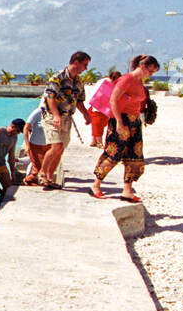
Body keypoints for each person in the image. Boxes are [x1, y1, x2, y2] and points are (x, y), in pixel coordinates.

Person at [89, 55, 159, 202]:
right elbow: (113, 100)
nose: (151, 75)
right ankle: (95, 185)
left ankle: (127, 191)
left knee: (134, 155)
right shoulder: (127, 79)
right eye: (151, 71)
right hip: (121, 119)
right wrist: (119, 122)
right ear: (143, 67)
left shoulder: (139, 81)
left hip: (135, 121)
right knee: (113, 153)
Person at [38, 51, 92, 190]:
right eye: (84, 65)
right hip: (52, 116)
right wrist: (56, 116)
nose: (86, 68)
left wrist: (86, 114)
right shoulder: (57, 78)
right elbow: (50, 97)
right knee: (56, 146)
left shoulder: (79, 81)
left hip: (67, 118)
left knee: (60, 149)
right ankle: (42, 173)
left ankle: (49, 177)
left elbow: (79, 101)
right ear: (76, 62)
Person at [87, 72, 121, 147]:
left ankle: (94, 141)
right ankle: (99, 142)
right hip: (97, 107)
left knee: (99, 124)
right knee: (98, 124)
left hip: (99, 106)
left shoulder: (104, 81)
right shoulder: (106, 82)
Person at [20, 107, 49, 185]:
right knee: (38, 167)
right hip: (36, 144)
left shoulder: (56, 113)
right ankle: (28, 180)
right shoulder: (38, 112)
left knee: (46, 165)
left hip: (48, 144)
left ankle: (42, 180)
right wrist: (27, 146)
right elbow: (26, 128)